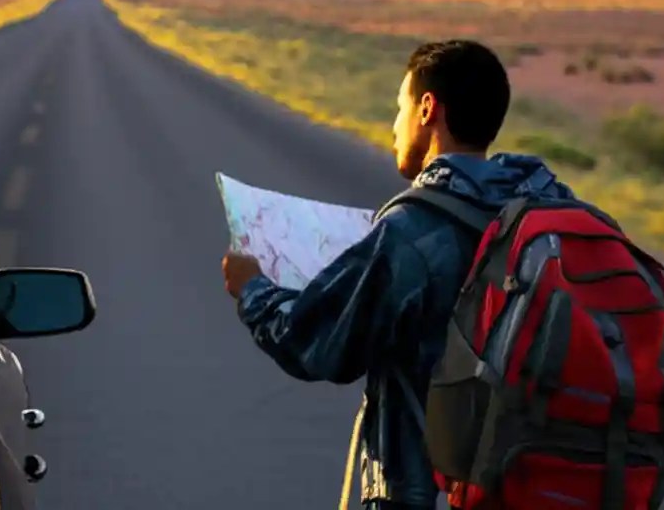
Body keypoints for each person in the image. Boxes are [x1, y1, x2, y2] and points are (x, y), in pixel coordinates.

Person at [221, 39, 576, 509]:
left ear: (428, 109)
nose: (394, 126)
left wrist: (253, 290)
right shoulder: (552, 215)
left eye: (400, 107)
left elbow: (315, 344)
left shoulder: (414, 231)